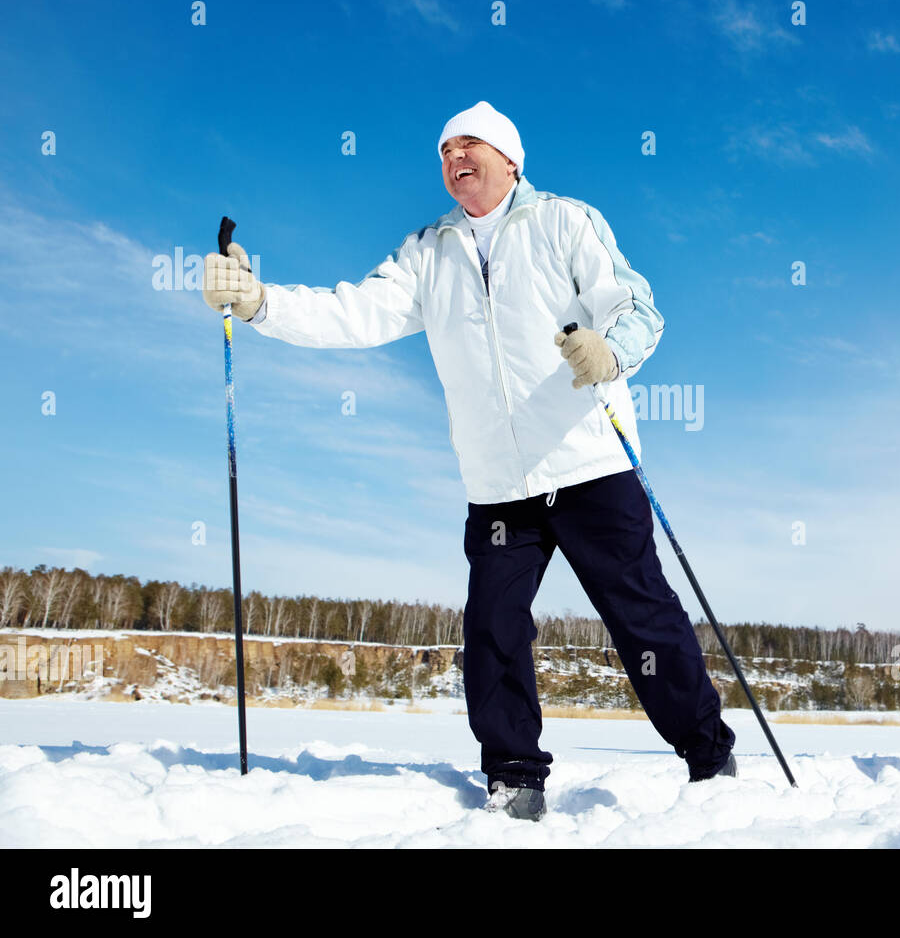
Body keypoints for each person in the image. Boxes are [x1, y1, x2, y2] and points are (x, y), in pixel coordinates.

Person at [203, 101, 736, 820]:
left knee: (642, 619)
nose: (455, 157)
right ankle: (515, 773)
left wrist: (612, 351)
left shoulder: (564, 222)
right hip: (499, 487)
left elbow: (636, 303)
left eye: (470, 145)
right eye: (445, 149)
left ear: (511, 159)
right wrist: (261, 302)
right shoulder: (429, 251)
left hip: (588, 467)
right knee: (492, 627)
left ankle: (709, 753)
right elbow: (353, 312)